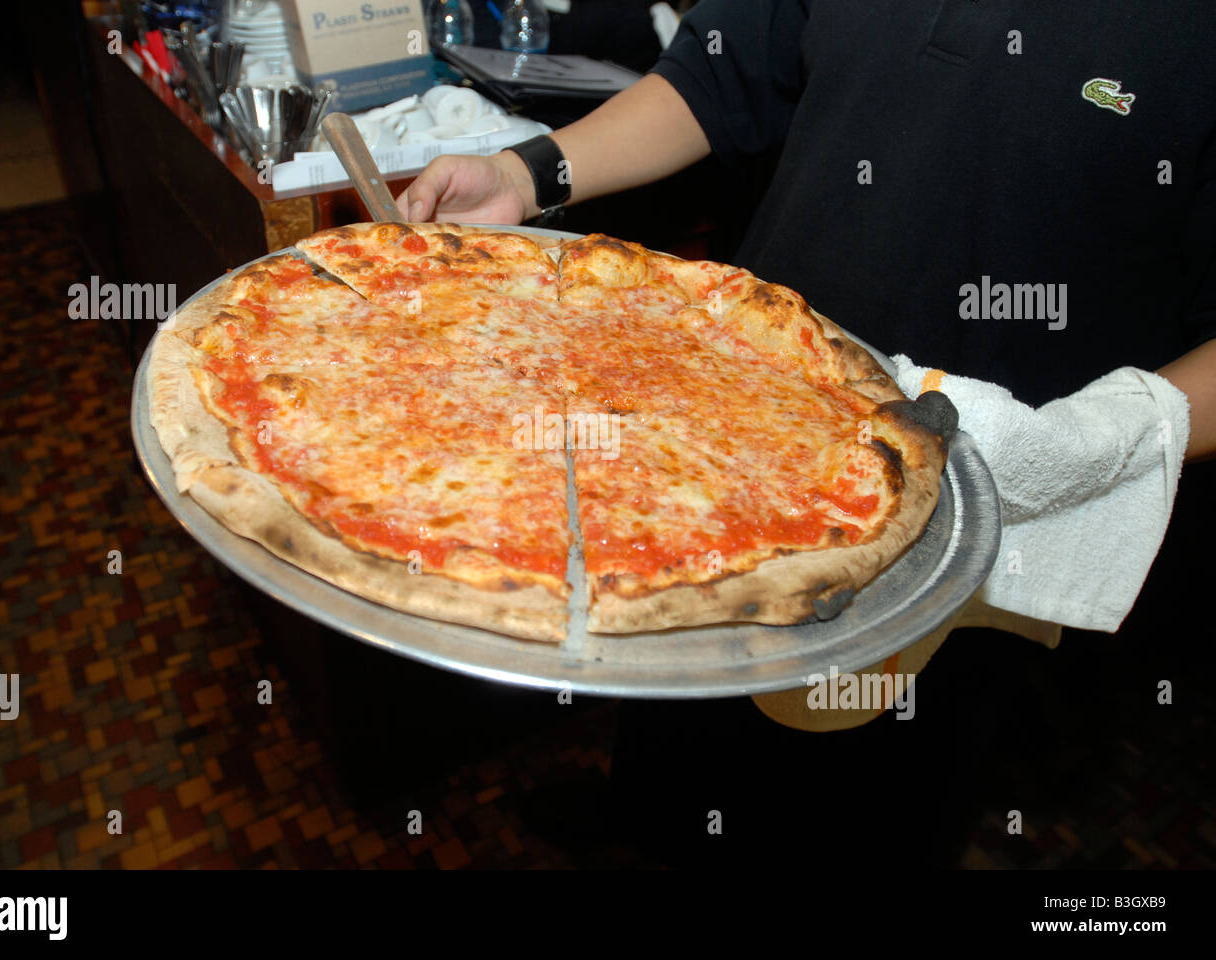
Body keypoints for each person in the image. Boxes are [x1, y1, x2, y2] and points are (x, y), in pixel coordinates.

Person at [399, 1, 1216, 865]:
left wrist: (1088, 444)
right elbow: (720, 72)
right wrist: (528, 175)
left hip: (964, 500)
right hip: (728, 419)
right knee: (669, 724)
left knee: (852, 809)